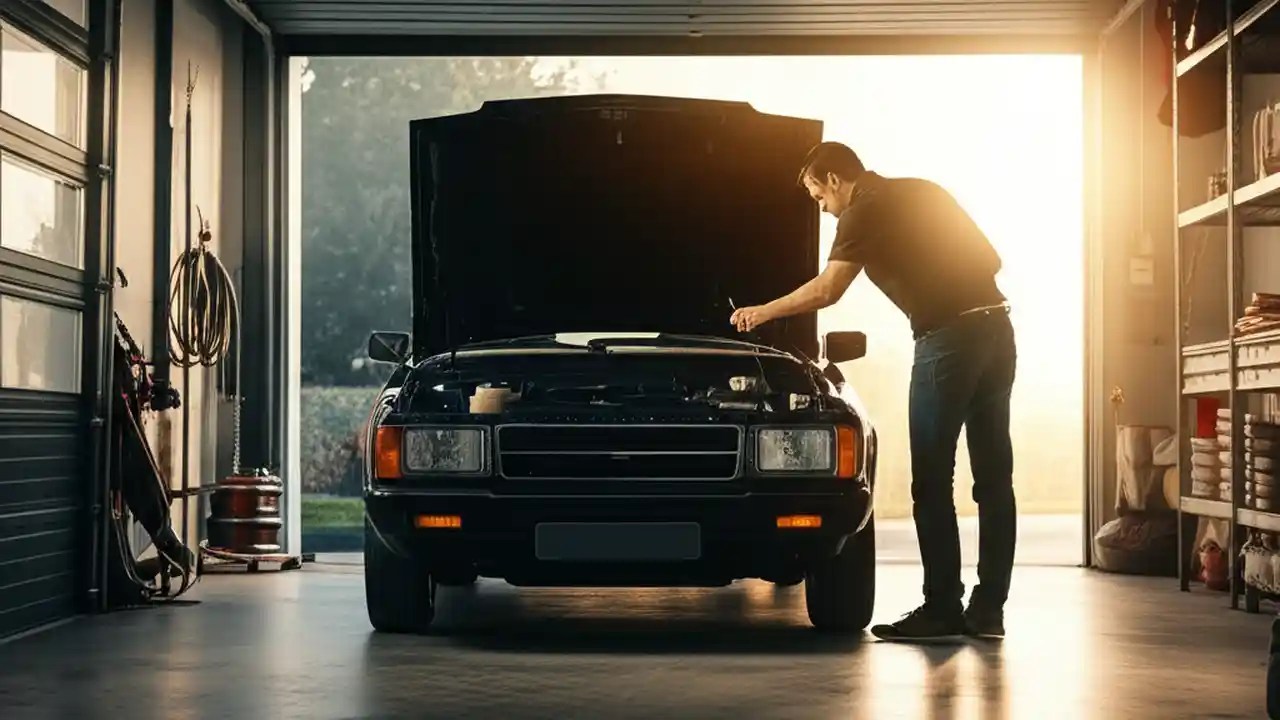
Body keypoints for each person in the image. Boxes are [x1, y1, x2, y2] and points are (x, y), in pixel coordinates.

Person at [729, 141, 1017, 642]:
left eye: (819, 196)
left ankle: (942, 607)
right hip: (997, 331)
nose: (823, 208)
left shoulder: (863, 210)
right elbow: (992, 260)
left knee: (932, 479)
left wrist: (762, 312)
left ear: (834, 180)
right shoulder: (924, 191)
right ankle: (989, 611)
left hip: (948, 341)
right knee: (994, 478)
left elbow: (828, 289)